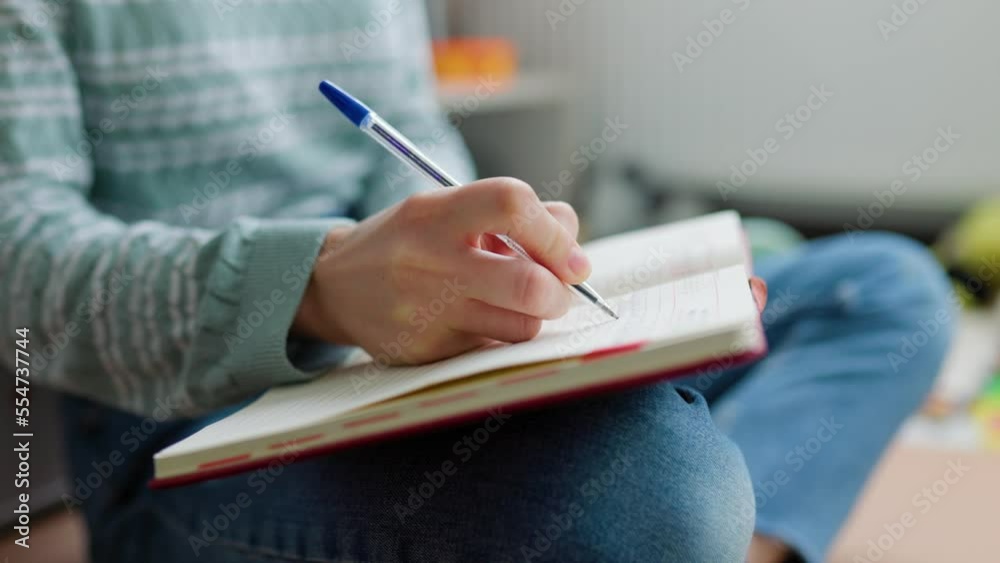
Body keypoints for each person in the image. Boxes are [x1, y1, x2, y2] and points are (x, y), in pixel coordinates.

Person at [0, 1, 953, 561]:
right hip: (183, 426)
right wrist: (316, 287)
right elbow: (21, 263)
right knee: (663, 487)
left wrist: (474, 250)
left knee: (887, 289)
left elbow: (406, 144)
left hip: (393, 367)